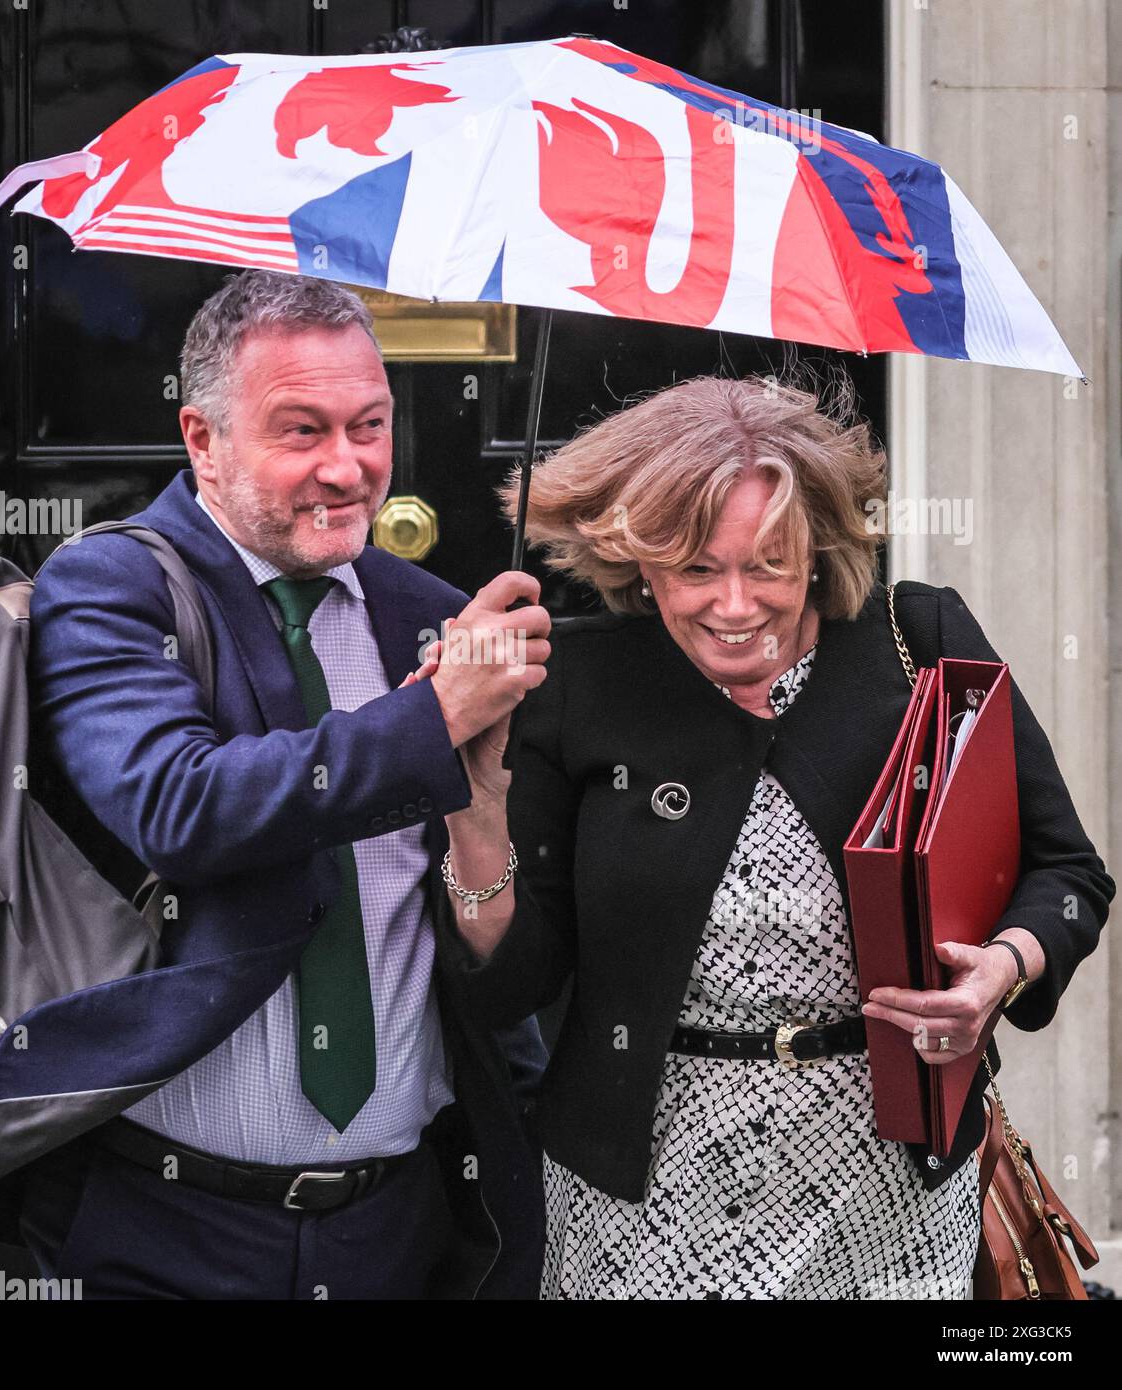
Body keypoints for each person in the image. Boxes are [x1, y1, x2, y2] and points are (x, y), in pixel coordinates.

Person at [436, 373, 1114, 1300]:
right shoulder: (580, 686)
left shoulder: (916, 640)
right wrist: (474, 799)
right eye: (696, 569)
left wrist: (1004, 967)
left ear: (821, 549)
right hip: (646, 1187)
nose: (736, 604)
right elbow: (517, 978)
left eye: (770, 565)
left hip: (886, 1178)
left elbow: (1067, 872)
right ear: (642, 563)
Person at [7, 269, 552, 1298]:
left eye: (369, 425)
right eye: (300, 431)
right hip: (167, 1230)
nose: (347, 468)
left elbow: (492, 927)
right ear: (202, 439)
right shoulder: (111, 585)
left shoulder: (431, 615)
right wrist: (434, 718)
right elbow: (179, 805)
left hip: (402, 1228)